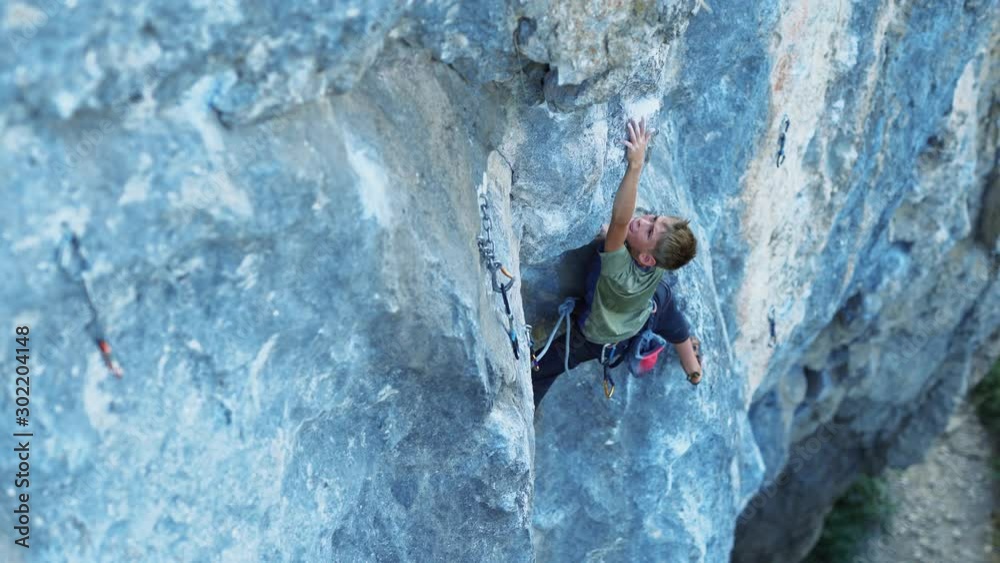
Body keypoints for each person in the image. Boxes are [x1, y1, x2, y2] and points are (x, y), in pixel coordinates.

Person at [531, 117, 703, 408]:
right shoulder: (658, 265)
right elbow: (676, 327)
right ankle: (694, 370)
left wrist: (635, 166)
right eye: (653, 218)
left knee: (541, 371)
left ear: (647, 258)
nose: (644, 220)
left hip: (596, 337)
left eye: (648, 230)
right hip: (639, 316)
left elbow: (621, 221)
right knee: (669, 314)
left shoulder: (620, 276)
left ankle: (528, 401)